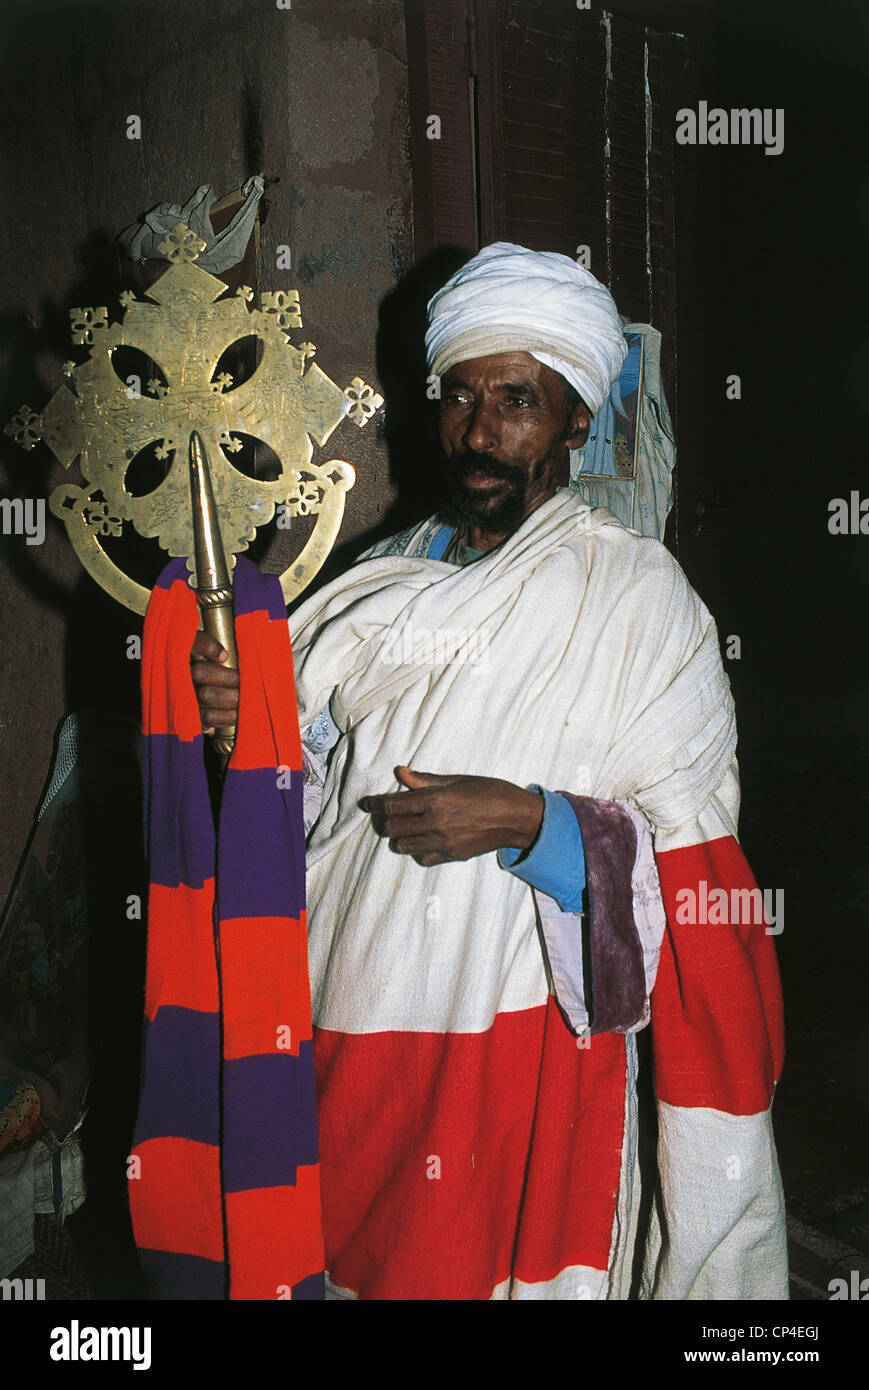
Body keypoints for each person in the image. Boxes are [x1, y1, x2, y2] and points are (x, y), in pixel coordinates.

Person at [191, 242, 786, 1300]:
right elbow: (297, 821)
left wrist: (533, 825)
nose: (478, 431)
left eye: (515, 399)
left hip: (522, 1072)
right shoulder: (367, 588)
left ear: (569, 420)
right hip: (346, 1035)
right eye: (459, 396)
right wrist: (252, 742)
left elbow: (701, 903)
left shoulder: (641, 608)